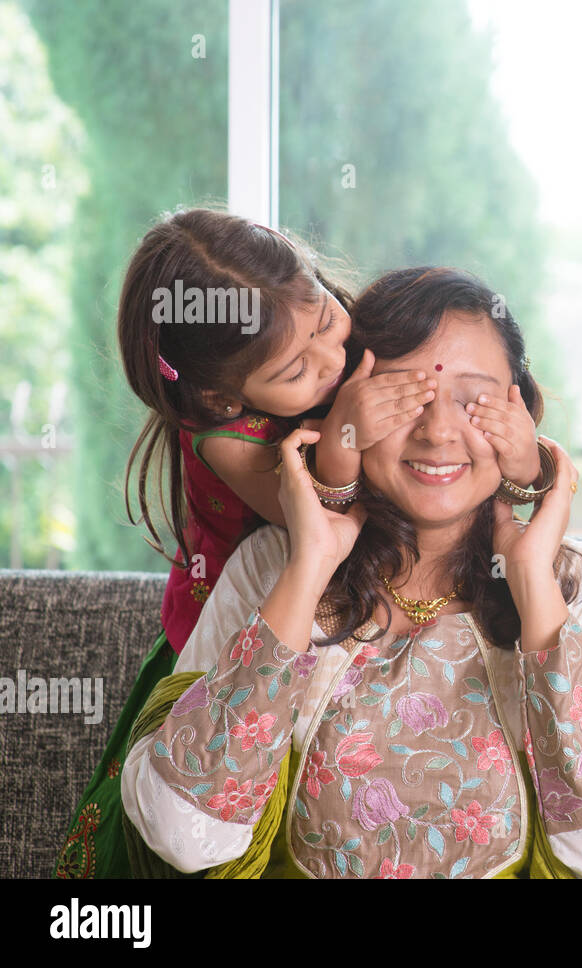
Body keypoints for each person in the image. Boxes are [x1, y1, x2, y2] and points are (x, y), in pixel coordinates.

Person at [119, 267, 582, 878]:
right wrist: (310, 567)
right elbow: (182, 836)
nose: (438, 432)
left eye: (474, 401)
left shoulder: (576, 580)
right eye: (401, 398)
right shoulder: (271, 567)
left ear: (522, 411)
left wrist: (532, 582)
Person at [56, 210, 542, 878]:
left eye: (324, 322)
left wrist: (524, 465)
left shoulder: (326, 339)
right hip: (241, 615)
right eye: (295, 372)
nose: (334, 363)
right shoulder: (225, 441)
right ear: (221, 397)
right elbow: (317, 510)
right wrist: (348, 438)